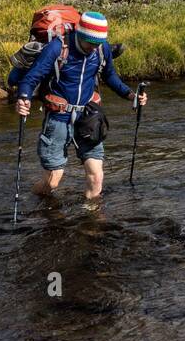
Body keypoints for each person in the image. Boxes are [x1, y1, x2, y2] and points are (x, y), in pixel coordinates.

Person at [14, 11, 146, 200]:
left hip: (89, 118)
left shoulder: (102, 48)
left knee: (97, 177)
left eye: (98, 43)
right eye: (91, 43)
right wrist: (23, 98)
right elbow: (31, 78)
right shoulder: (57, 48)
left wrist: (131, 95)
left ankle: (90, 221)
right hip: (59, 118)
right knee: (52, 182)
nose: (94, 48)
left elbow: (110, 76)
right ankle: (35, 199)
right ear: (81, 35)